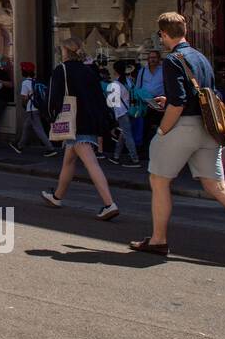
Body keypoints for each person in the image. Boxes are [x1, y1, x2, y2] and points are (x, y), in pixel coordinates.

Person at [130, 12, 225, 268]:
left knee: (158, 180)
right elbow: (200, 93)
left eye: (161, 35)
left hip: (183, 126)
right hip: (209, 128)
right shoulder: (200, 58)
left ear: (164, 34)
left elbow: (178, 104)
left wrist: (161, 132)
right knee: (217, 186)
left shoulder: (172, 60)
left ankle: (158, 240)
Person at [39, 38, 121, 221]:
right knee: (69, 161)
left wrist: (50, 115)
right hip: (89, 120)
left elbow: (54, 97)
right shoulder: (89, 71)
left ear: (65, 51)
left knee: (91, 163)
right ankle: (57, 197)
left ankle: (109, 203)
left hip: (75, 122)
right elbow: (99, 97)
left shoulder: (62, 69)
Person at [10, 63, 58, 156]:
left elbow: (24, 98)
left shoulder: (25, 83)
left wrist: (24, 103)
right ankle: (20, 146)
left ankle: (50, 148)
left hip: (31, 109)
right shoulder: (36, 81)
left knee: (38, 129)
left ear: (24, 71)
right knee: (26, 127)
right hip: (38, 108)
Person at [104, 67, 140, 168]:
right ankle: (116, 156)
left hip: (121, 112)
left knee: (127, 135)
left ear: (115, 71)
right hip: (131, 111)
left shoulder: (114, 85)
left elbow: (110, 102)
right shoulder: (129, 82)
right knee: (123, 134)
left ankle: (135, 159)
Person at [134, 47, 166, 155]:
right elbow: (137, 87)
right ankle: (144, 150)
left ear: (159, 59)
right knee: (145, 127)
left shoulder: (163, 71)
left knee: (159, 127)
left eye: (154, 57)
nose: (152, 60)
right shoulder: (142, 71)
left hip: (159, 101)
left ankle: (159, 150)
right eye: (150, 57)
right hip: (145, 102)